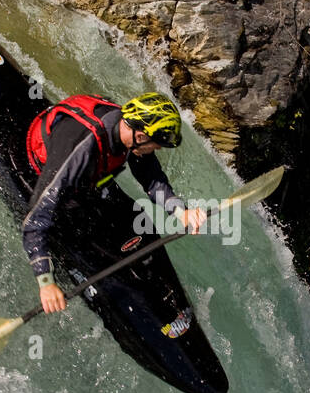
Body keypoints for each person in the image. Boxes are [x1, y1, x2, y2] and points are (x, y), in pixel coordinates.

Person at [23, 92, 206, 313]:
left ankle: (171, 305)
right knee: (94, 247)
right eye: (156, 145)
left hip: (94, 180)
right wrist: (46, 282)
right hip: (59, 183)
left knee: (142, 223)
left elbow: (151, 177)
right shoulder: (81, 148)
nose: (156, 149)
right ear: (139, 136)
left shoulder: (131, 132)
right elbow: (35, 220)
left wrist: (180, 211)